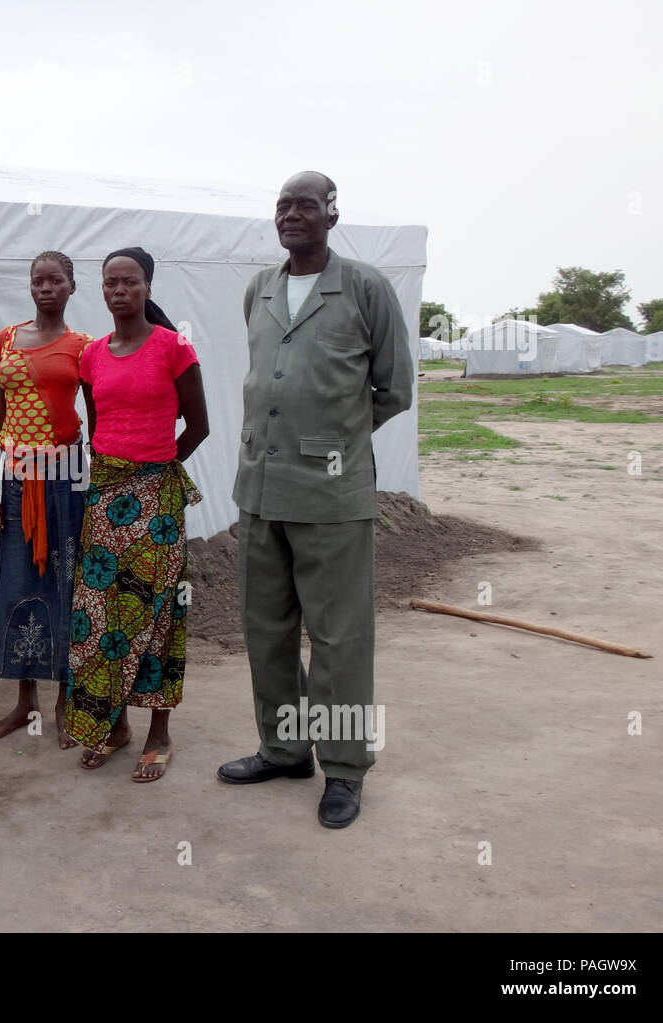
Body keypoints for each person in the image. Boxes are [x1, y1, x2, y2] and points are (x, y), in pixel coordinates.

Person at [217, 171, 414, 828]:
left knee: (339, 637)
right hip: (260, 489)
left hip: (332, 495)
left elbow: (393, 389)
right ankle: (284, 748)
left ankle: (346, 767)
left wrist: (336, 440)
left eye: (306, 205)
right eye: (282, 205)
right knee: (265, 627)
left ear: (332, 214)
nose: (291, 215)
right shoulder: (260, 289)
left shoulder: (365, 288)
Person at [63, 247, 209, 782]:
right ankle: (112, 724)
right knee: (100, 612)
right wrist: (117, 471)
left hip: (157, 502)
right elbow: (99, 425)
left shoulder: (174, 348)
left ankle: (159, 732)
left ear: (147, 286)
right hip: (103, 499)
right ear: (101, 290)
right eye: (110, 283)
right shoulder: (92, 356)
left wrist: (155, 468)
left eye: (129, 281)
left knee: (157, 611)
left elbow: (198, 425)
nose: (119, 290)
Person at [0, 251, 95, 747]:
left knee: (66, 583)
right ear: (29, 286)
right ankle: (25, 701)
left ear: (72, 286)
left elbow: (98, 417)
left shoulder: (85, 347)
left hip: (66, 475)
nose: (45, 287)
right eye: (38, 280)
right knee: (17, 580)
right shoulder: (4, 340)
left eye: (56, 280)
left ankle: (65, 702)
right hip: (15, 475)